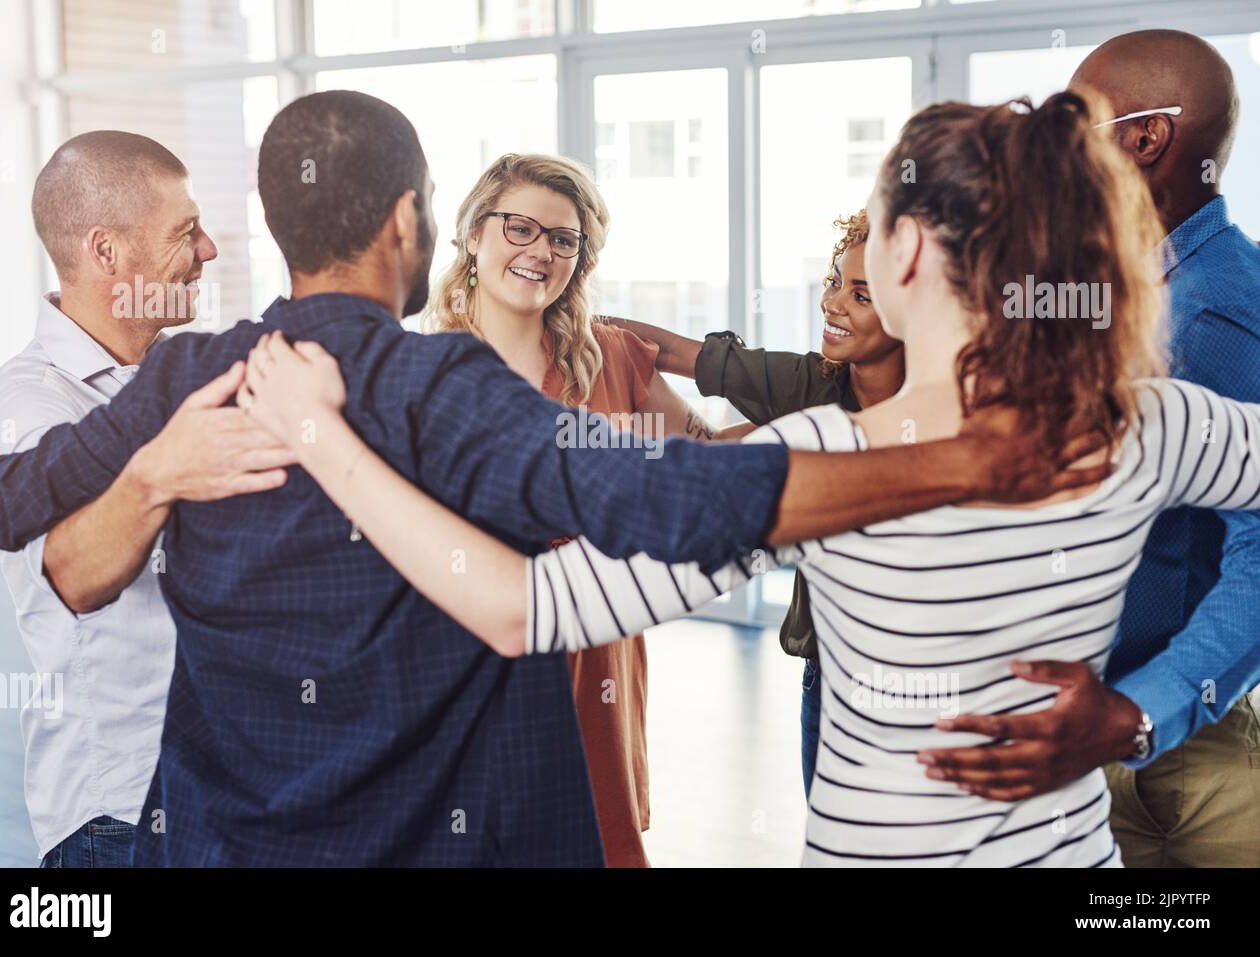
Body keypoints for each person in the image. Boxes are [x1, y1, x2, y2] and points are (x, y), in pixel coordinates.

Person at [0, 91, 1089, 866]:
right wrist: (962, 459)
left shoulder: (189, 375)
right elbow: (666, 497)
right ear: (411, 221)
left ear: (271, 222)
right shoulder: (440, 387)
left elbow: (7, 496)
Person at [236, 88, 1260, 867]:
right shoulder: (1146, 422)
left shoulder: (817, 454)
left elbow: (518, 609)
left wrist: (321, 437)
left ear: (902, 256)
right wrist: (1139, 711)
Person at [920, 29, 1260, 869]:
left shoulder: (1214, 312)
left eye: (1078, 119)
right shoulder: (1124, 284)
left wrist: (1138, 712)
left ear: (1146, 137)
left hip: (1175, 757)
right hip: (1086, 732)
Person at [0, 131, 293, 867]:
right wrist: (162, 472)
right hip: (120, 813)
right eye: (186, 231)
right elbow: (75, 571)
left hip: (220, 790)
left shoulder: (169, 375)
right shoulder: (30, 398)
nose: (208, 249)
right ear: (106, 252)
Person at [424, 153, 722, 866]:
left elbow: (708, 457)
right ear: (473, 235)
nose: (540, 252)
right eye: (520, 228)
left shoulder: (611, 356)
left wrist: (840, 414)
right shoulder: (422, 374)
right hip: (470, 653)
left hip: (596, 653)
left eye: (563, 239)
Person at [608, 209, 905, 796]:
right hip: (833, 676)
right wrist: (575, 323)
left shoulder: (966, 410)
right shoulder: (814, 385)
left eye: (861, 295)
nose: (833, 304)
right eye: (833, 282)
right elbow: (671, 355)